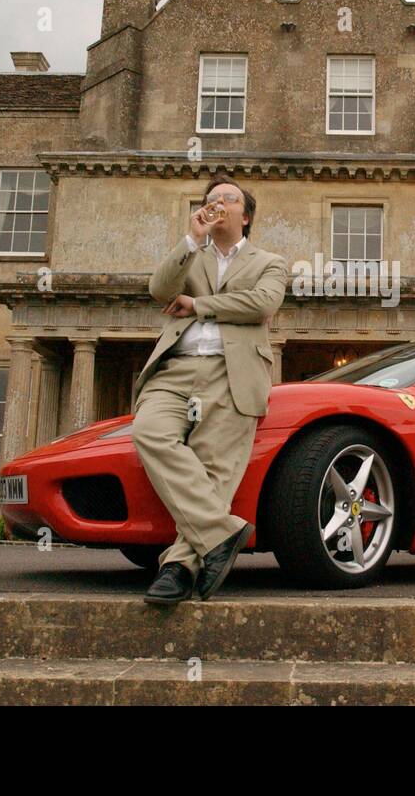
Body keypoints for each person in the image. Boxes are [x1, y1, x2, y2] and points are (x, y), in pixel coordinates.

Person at [130, 174, 288, 605]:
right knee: (149, 432)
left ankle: (178, 568)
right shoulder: (191, 253)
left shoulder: (269, 261)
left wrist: (198, 305)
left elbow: (261, 305)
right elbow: (158, 290)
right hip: (175, 370)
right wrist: (190, 239)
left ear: (246, 215)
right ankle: (222, 533)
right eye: (211, 199)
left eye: (228, 198)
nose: (218, 202)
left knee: (216, 471)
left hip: (231, 371)